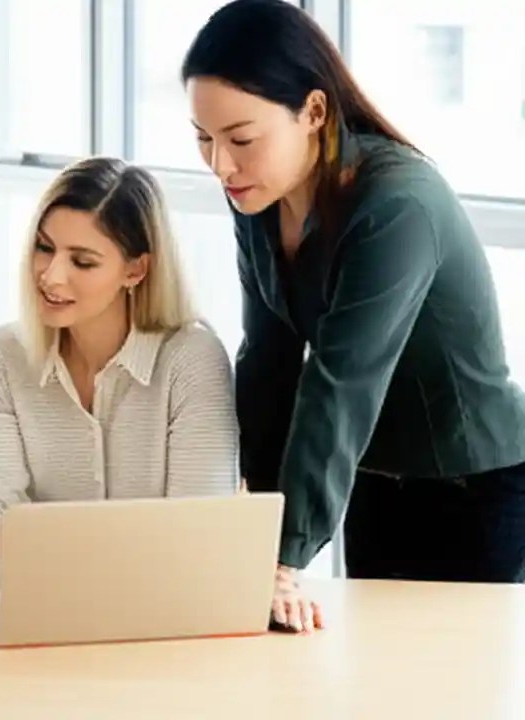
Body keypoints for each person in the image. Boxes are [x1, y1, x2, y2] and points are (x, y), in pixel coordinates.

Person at [182, 0, 525, 632]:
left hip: (474, 486)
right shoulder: (258, 196)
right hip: (373, 475)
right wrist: (258, 520)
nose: (221, 165)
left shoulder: (397, 202)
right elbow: (269, 361)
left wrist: (281, 559)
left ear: (312, 112)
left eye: (240, 138)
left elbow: (340, 384)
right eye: (204, 139)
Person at [0, 157, 239, 557]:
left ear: (136, 270)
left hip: (162, 607)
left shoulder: (191, 360)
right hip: (41, 599)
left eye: (82, 261)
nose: (51, 275)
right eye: (44, 248)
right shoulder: (6, 353)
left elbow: (202, 530)